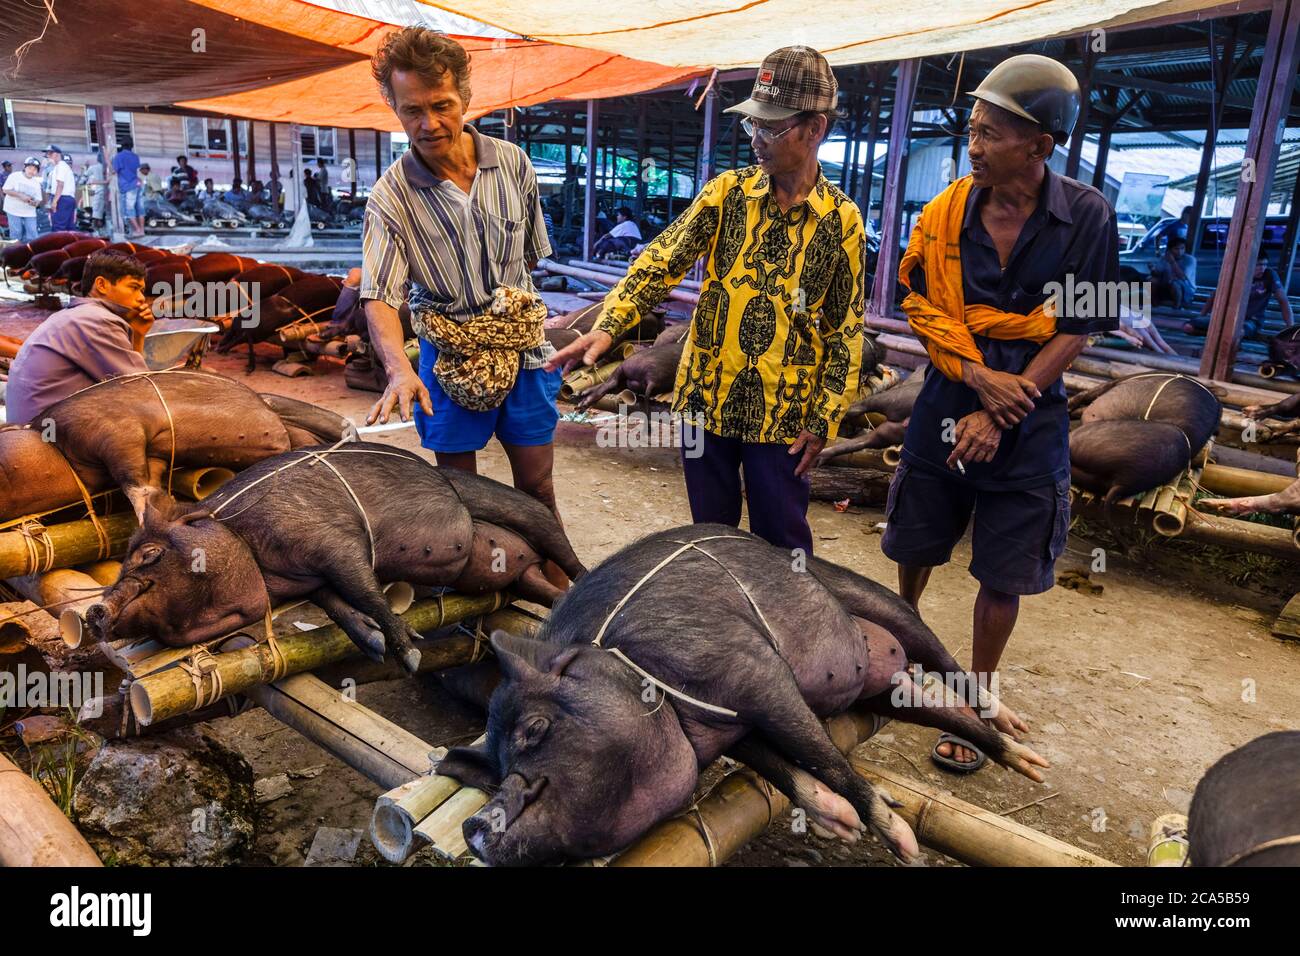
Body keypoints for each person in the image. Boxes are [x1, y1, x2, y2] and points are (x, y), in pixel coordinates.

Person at [882, 54, 1119, 771]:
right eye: (973, 130)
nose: (973, 146)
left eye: (990, 134)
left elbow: (1080, 325)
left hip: (1030, 420)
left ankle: (979, 697)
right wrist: (982, 383)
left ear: (1040, 145)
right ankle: (905, 653)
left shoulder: (1087, 216)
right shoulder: (946, 213)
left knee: (1003, 573)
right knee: (916, 546)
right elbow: (921, 308)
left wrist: (1002, 409)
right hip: (949, 401)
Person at [550, 46, 865, 556]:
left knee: (783, 548)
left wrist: (822, 420)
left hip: (782, 418)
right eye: (753, 127)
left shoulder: (841, 220)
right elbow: (661, 260)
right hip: (706, 407)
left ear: (815, 130)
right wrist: (610, 325)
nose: (758, 140)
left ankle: (783, 634)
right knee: (710, 541)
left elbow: (843, 329)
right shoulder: (727, 194)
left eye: (772, 128)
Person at [360, 28, 566, 585]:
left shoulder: (515, 164)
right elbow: (379, 292)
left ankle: (561, 592)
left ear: (466, 98)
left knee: (537, 484)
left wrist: (507, 320)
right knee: (460, 493)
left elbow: (529, 261)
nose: (429, 124)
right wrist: (399, 369)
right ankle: (476, 601)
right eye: (413, 110)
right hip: (445, 356)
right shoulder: (390, 197)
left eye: (441, 106)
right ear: (394, 109)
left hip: (522, 351)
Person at [5, 250, 153, 424]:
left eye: (142, 290)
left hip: (33, 421)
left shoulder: (79, 315)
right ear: (102, 285)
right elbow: (140, 388)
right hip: (45, 432)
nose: (141, 298)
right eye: (134, 288)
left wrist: (138, 334)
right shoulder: (98, 321)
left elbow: (132, 380)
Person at [1189, 253, 1293, 341]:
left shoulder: (1269, 275)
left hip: (1251, 320)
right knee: (1188, 327)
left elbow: (1283, 301)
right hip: (1228, 318)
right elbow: (1215, 294)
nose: (1262, 268)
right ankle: (1217, 336)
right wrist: (1202, 315)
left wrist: (1290, 328)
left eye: (1265, 264)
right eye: (1258, 265)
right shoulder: (1238, 273)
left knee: (1236, 333)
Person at [2, 156, 43, 243]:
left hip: (29, 211)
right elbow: (5, 189)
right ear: (25, 167)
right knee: (16, 234)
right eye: (30, 168)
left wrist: (35, 203)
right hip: (13, 209)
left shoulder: (36, 183)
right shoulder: (14, 176)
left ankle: (31, 252)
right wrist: (21, 195)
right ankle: (15, 253)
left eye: (35, 169)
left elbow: (39, 200)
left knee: (33, 234)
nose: (32, 171)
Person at [1151, 235, 1197, 309]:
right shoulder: (1164, 258)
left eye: (1182, 248)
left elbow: (1182, 277)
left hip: (1186, 289)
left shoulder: (1190, 260)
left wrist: (1172, 262)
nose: (1179, 252)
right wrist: (1153, 269)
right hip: (1166, 286)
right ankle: (1154, 304)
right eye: (1176, 249)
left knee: (1175, 283)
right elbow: (1157, 273)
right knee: (1152, 281)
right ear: (1170, 250)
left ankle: (1177, 307)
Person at [112, 136, 145, 237]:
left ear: (122, 145)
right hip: (137, 184)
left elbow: (113, 171)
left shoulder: (119, 156)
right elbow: (136, 170)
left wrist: (108, 160)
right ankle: (142, 230)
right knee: (140, 208)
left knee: (129, 209)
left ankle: (137, 230)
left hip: (127, 186)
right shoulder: (135, 156)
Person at [43, 145, 77, 233]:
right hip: (66, 199)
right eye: (47, 153)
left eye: (50, 153)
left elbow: (60, 184)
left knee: (58, 228)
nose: (48, 155)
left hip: (62, 199)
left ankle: (59, 246)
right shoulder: (59, 167)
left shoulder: (61, 166)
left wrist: (54, 201)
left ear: (57, 154)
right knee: (69, 227)